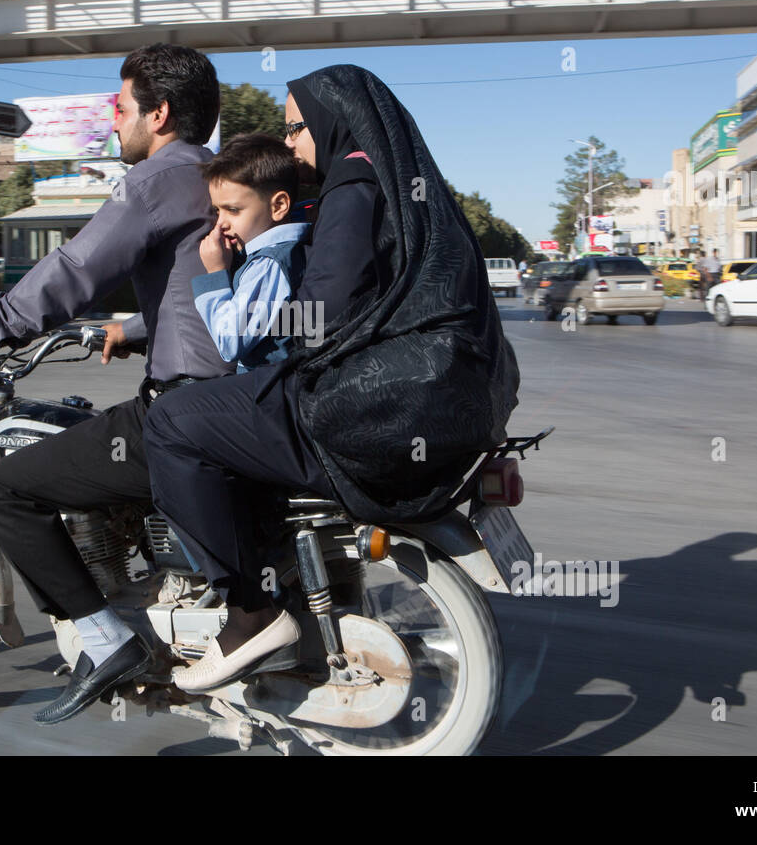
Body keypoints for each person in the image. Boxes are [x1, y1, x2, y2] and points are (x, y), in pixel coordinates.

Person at [145, 65, 520, 691]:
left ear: (329, 119)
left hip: (367, 405)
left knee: (170, 422)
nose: (291, 142)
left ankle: (250, 613)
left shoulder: (352, 187)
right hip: (440, 395)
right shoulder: (401, 181)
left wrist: (258, 332)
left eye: (295, 127)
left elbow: (321, 314)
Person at [0, 43, 229, 725]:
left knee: (4, 488)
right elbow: (210, 291)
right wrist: (138, 330)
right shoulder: (217, 175)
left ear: (160, 113)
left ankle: (107, 641)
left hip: (184, 409)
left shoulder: (153, 182)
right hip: (232, 397)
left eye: (120, 107)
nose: (114, 121)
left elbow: (75, 269)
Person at [192, 133, 311, 373]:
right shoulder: (287, 252)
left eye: (233, 210)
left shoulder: (269, 265)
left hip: (268, 391)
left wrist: (215, 274)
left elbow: (230, 342)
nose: (220, 223)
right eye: (217, 210)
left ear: (278, 206)